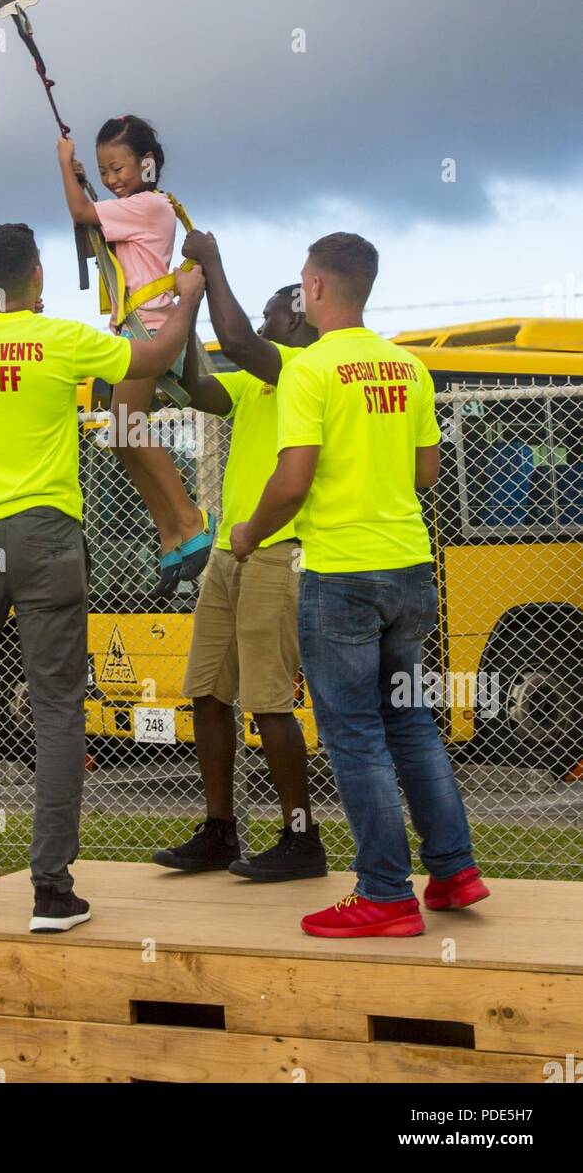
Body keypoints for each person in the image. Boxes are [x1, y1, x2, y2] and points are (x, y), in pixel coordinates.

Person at [0, 222, 205, 933]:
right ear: (38, 276)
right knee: (58, 707)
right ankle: (51, 891)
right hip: (46, 535)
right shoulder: (60, 340)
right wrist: (184, 296)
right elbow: (155, 355)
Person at [231, 232, 488, 938]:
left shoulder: (309, 371)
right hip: (409, 565)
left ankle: (385, 894)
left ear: (314, 288)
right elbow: (427, 473)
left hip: (341, 574)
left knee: (354, 735)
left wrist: (248, 533)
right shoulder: (409, 368)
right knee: (411, 722)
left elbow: (293, 480)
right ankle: (454, 872)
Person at [153, 230, 327, 881]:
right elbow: (197, 382)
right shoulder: (258, 382)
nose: (260, 320)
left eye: (270, 311)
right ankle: (220, 831)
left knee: (270, 702)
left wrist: (213, 263)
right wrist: (190, 296)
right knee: (205, 694)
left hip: (276, 553)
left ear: (298, 316)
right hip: (230, 554)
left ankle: (300, 838)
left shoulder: (301, 368)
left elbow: (239, 340)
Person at [57, 115, 215, 596]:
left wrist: (64, 166)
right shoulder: (134, 207)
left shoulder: (149, 205)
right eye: (104, 171)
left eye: (118, 168)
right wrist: (84, 182)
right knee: (123, 437)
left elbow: (83, 215)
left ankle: (190, 518)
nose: (111, 179)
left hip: (151, 329)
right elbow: (93, 214)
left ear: (147, 165)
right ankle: (170, 533)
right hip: (132, 331)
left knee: (126, 425)